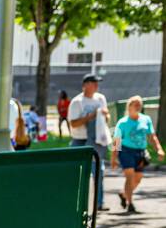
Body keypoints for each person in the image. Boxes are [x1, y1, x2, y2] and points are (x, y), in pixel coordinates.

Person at [111, 95, 164, 214]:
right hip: (126, 151)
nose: (138, 106)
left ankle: (124, 195)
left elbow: (152, 136)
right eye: (135, 104)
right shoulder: (123, 122)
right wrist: (114, 157)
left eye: (140, 104)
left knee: (138, 178)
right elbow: (116, 141)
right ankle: (130, 204)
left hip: (140, 152)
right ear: (129, 107)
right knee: (129, 177)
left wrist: (159, 149)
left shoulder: (146, 119)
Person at [67, 74, 110, 210]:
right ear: (85, 84)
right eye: (93, 83)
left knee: (98, 172)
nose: (97, 86)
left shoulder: (100, 98)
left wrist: (105, 115)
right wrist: (91, 116)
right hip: (80, 141)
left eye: (97, 83)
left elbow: (108, 118)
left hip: (96, 140)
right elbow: (73, 124)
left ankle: (99, 203)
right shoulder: (77, 102)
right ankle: (75, 202)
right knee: (79, 174)